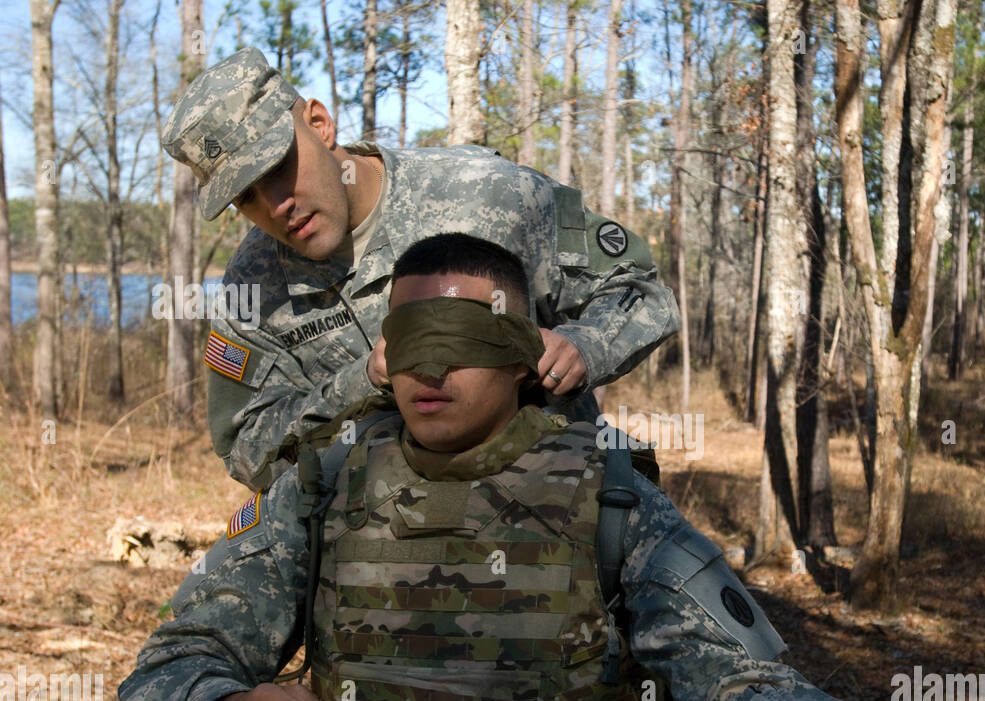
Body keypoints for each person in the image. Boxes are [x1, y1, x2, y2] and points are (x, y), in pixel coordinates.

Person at [118, 234, 855, 701]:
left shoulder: (611, 496)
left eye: (464, 340)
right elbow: (178, 658)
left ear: (524, 355)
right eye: (412, 340)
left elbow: (744, 678)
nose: (431, 370)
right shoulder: (321, 484)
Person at [162, 46, 679, 491]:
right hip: (379, 549)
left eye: (278, 168)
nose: (275, 205)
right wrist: (361, 382)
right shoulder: (255, 286)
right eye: (246, 197)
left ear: (319, 125)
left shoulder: (486, 193)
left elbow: (639, 290)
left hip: (548, 519)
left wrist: (584, 347)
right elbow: (247, 451)